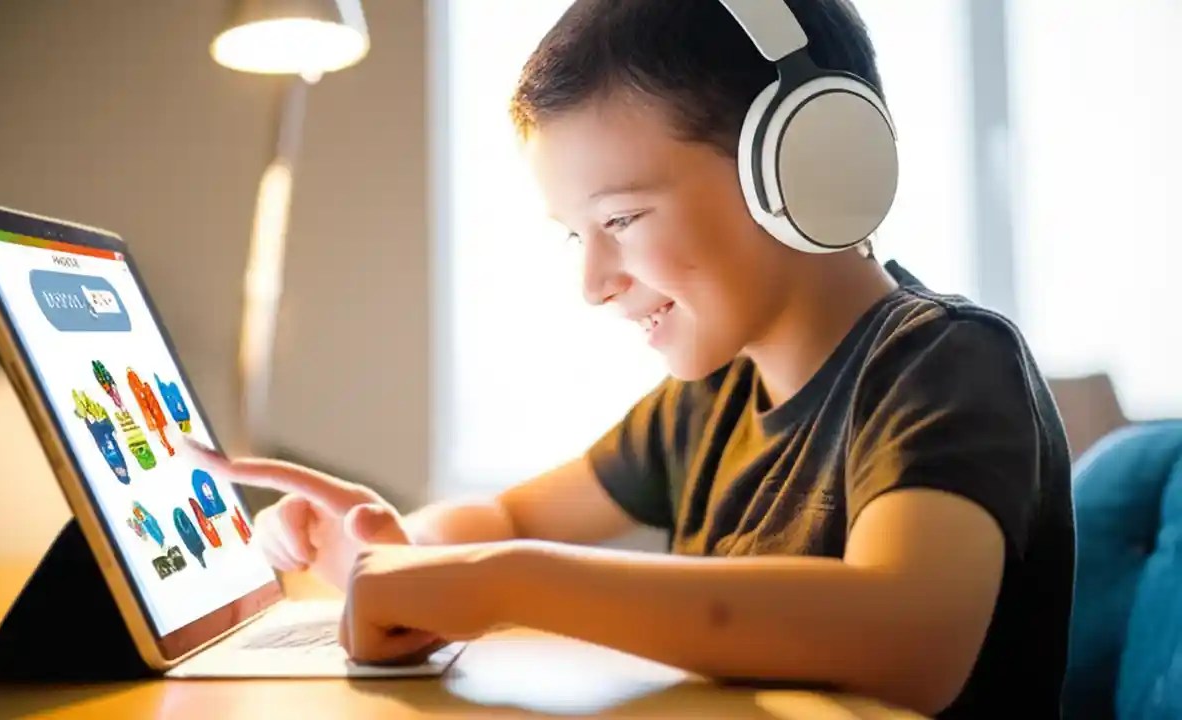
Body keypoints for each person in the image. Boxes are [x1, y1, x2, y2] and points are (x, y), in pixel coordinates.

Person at [185, 1, 1074, 716]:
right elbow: (506, 516)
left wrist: (507, 585)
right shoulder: (711, 399)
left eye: (620, 221)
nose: (593, 281)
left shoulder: (944, 364)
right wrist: (399, 558)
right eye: (574, 233)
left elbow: (907, 646)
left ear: (805, 166)